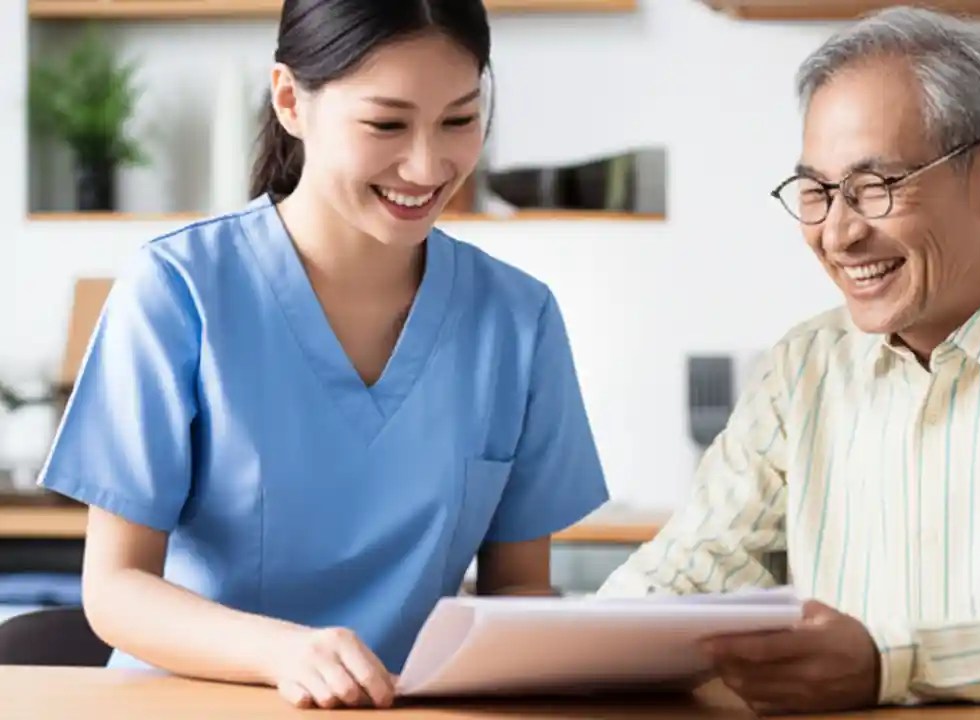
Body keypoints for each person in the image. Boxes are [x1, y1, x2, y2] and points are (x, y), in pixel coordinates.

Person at [597, 6, 980, 715]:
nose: (838, 232)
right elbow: (684, 575)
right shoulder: (803, 370)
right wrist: (557, 651)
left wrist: (892, 664)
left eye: (874, 187)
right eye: (817, 192)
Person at [37, 0, 608, 710]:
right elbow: (116, 590)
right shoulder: (181, 289)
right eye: (386, 124)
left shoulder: (518, 319)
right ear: (290, 101)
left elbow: (520, 588)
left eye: (459, 119)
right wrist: (282, 652)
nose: (428, 164)